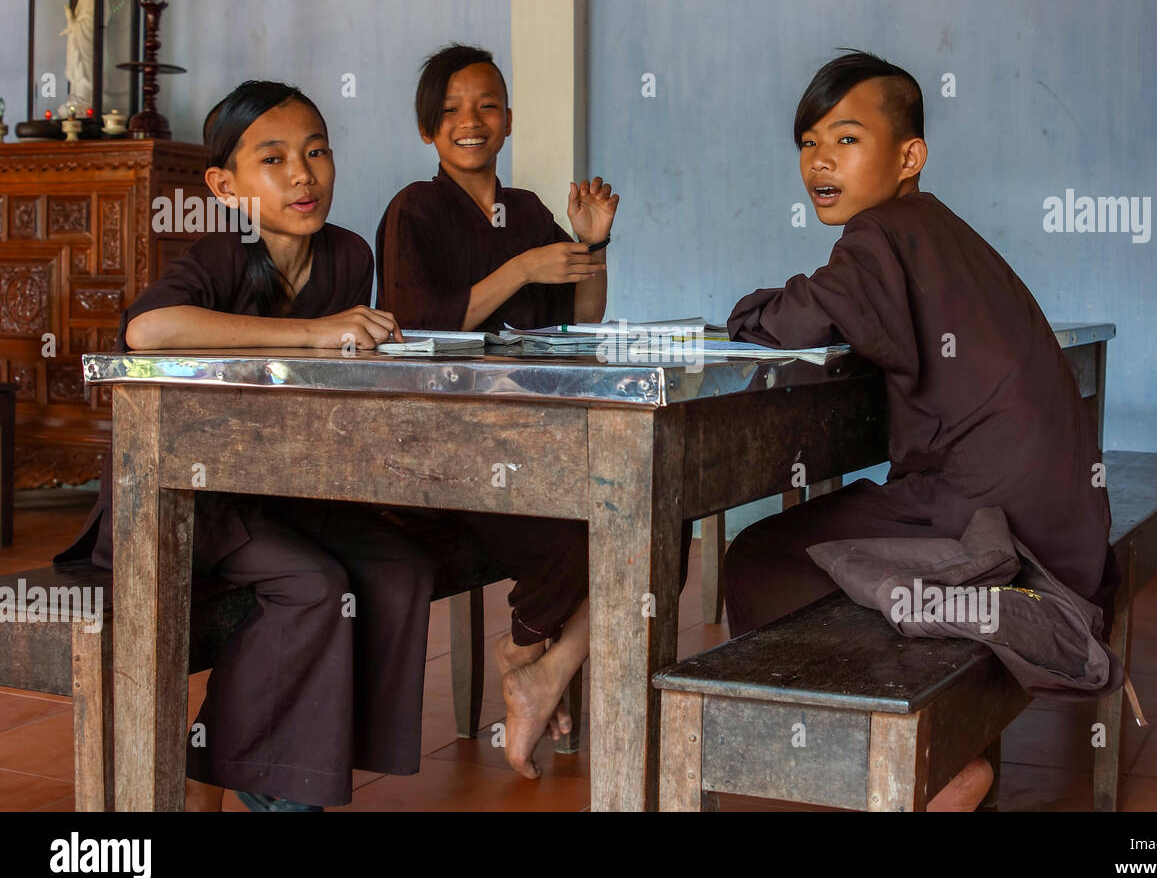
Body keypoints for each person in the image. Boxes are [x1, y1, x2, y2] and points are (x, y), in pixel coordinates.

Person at [722, 50, 1117, 812]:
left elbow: (794, 319)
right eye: (807, 143)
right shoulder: (934, 229)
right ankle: (918, 743)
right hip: (1061, 514)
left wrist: (745, 310)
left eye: (845, 138)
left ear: (910, 157)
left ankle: (888, 761)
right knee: (834, 533)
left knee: (761, 554)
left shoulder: (882, 232)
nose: (819, 161)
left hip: (998, 521)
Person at [56, 80, 439, 812]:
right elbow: (147, 331)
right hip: (182, 503)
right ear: (224, 185)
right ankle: (276, 789)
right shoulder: (221, 254)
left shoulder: (349, 255)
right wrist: (312, 333)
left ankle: (278, 759)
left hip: (274, 492)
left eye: (317, 151)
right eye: (274, 158)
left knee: (401, 566)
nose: (304, 174)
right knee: (313, 585)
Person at [378, 44, 694, 780]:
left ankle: (536, 661)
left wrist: (594, 244)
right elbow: (414, 328)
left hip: (538, 432)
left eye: (487, 104)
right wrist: (519, 269)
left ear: (510, 118)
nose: (471, 121)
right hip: (448, 445)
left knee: (665, 518)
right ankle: (529, 647)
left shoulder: (522, 210)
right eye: (451, 110)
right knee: (586, 529)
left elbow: (582, 322)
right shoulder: (415, 209)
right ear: (428, 130)